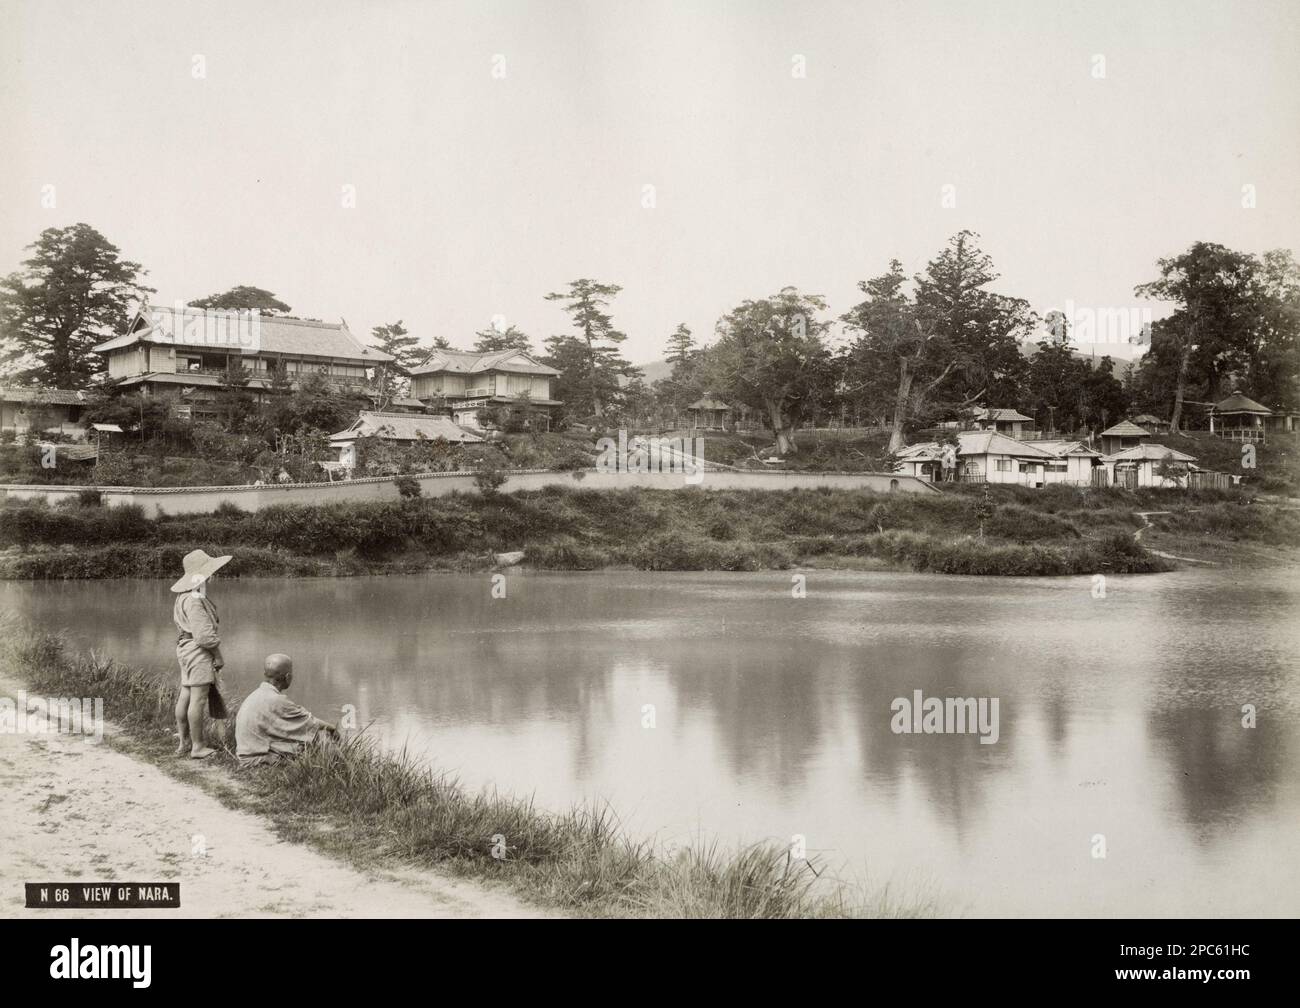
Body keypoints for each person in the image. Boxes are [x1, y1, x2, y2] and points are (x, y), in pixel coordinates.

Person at [170, 548, 232, 759]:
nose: (211, 575)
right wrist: (218, 655)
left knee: (186, 694)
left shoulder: (183, 597)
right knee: (198, 698)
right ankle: (197, 746)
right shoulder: (195, 599)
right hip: (198, 652)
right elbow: (204, 636)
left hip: (185, 649)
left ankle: (184, 741)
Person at [235, 654, 338, 768]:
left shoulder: (256, 694)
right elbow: (310, 723)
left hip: (247, 756)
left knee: (302, 740)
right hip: (257, 760)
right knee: (320, 736)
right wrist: (333, 728)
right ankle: (335, 769)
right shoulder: (276, 700)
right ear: (288, 676)